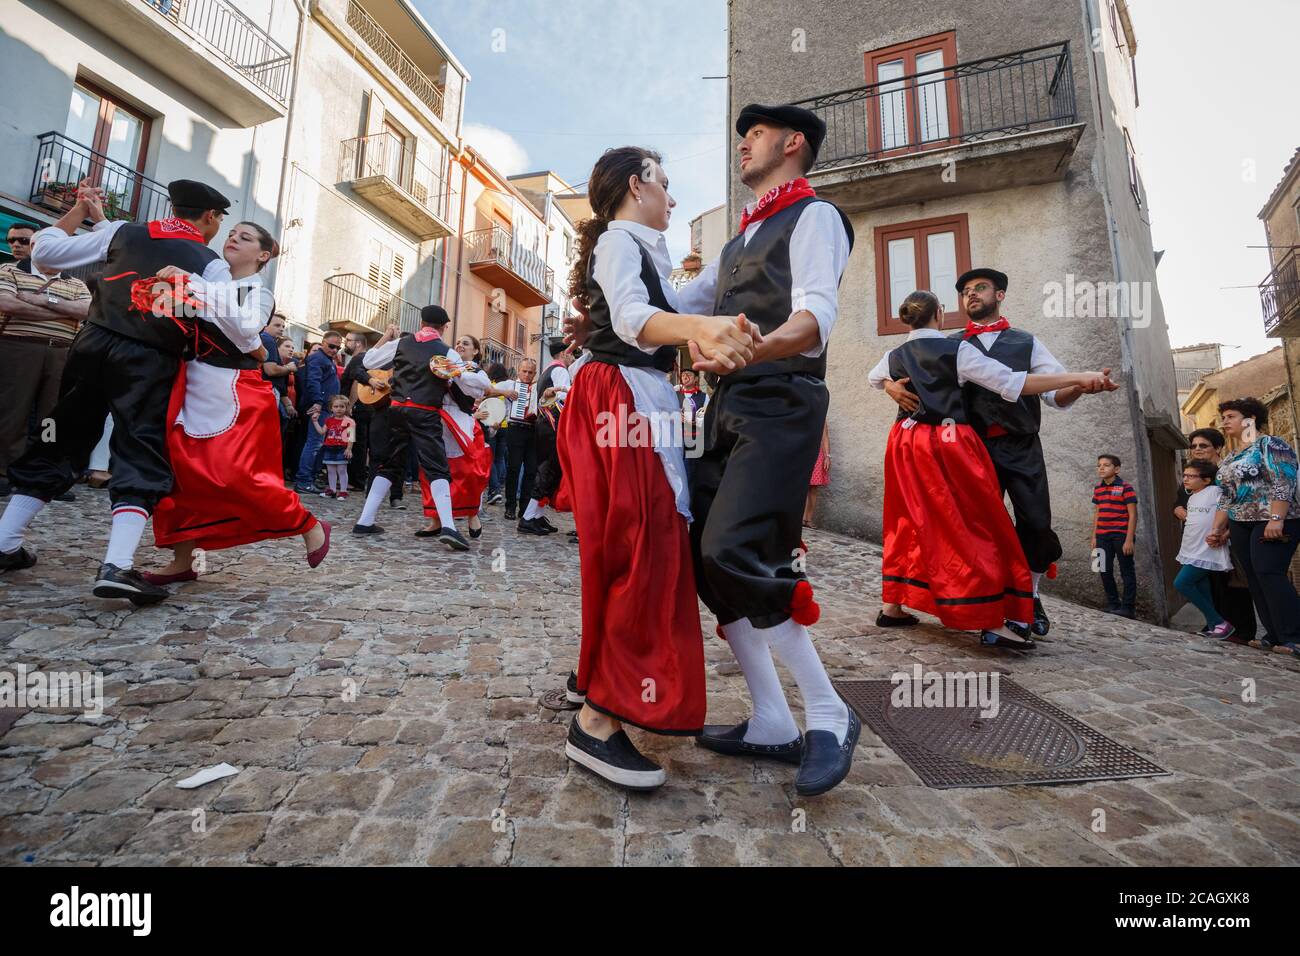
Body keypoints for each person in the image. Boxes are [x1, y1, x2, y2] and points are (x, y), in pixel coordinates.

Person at [557, 145, 757, 790]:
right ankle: (596, 722)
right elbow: (634, 317)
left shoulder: (639, 246)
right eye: (666, 184)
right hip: (620, 394)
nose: (673, 197)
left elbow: (675, 296)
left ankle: (598, 678)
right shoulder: (619, 242)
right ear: (637, 185)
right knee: (642, 544)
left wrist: (739, 253)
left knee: (638, 543)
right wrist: (704, 326)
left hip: (635, 394)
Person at [676, 103, 860, 796]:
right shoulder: (734, 243)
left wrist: (742, 346)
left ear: (791, 143)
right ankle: (772, 721)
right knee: (703, 555)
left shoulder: (815, 217)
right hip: (729, 407)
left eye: (752, 134)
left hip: (783, 402)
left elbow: (813, 320)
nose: (742, 145)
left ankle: (828, 712)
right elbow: (677, 304)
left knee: (735, 550)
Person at [0, 178, 233, 603]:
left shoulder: (122, 231)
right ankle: (117, 565)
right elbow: (225, 325)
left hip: (92, 343)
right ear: (210, 217)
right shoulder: (211, 264)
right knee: (139, 449)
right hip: (150, 359)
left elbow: (46, 252)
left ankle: (4, 542)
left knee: (58, 433)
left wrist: (78, 214)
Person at [869, 291, 1116, 647]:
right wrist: (1079, 376)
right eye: (965, 291)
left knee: (909, 519)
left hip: (906, 443)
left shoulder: (894, 354)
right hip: (951, 444)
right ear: (941, 313)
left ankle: (893, 606)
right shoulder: (957, 349)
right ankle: (991, 615)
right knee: (981, 529)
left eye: (980, 287)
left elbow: (873, 377)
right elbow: (1014, 384)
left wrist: (891, 386)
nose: (971, 293)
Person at [143, 220, 329, 581]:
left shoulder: (257, 293)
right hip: (192, 381)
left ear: (262, 255)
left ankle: (308, 524)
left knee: (235, 475)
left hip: (236, 388)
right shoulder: (207, 280)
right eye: (231, 234)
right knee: (183, 476)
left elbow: (246, 329)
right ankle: (186, 562)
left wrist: (195, 285)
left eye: (244, 237)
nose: (232, 239)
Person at [353, 306, 468, 551]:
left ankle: (365, 521)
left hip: (397, 408)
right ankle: (448, 526)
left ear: (422, 321)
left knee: (389, 463)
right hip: (425, 412)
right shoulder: (447, 352)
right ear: (444, 327)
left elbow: (370, 361)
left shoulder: (402, 343)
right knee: (437, 467)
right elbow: (465, 382)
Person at [0, 221, 92, 499]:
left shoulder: (76, 283)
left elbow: (88, 310)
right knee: (11, 413)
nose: (17, 244)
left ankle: (43, 472)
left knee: (52, 417)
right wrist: (65, 312)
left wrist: (42, 302)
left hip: (61, 352)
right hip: (18, 347)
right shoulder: (9, 270)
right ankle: (5, 471)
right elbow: (7, 304)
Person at [1206, 397, 1300, 655]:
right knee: (1255, 578)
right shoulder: (1231, 457)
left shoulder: (1270, 444)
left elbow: (1283, 481)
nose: (1225, 422)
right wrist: (1217, 529)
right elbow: (1226, 496)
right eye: (1223, 417)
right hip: (1241, 522)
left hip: (1274, 519)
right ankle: (1274, 634)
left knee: (1269, 572)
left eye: (1230, 416)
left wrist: (1276, 519)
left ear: (1250, 419)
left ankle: (1294, 636)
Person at [1173, 459, 1235, 639]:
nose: (1186, 479)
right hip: (1191, 548)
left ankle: (1221, 623)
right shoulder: (1192, 497)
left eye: (1191, 476)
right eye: (1184, 475)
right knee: (1202, 587)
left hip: (1207, 549)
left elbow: (1230, 510)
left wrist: (1224, 534)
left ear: (1207, 480)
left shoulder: (1215, 491)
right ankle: (1213, 625)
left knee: (1182, 583)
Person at [520, 337, 574, 536]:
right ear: (563, 354)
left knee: (547, 468)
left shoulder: (546, 371)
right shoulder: (560, 370)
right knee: (548, 469)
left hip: (543, 424)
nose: (572, 358)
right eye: (571, 354)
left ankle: (537, 516)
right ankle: (527, 518)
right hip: (553, 424)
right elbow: (563, 397)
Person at [294, 329, 342, 493]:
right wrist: (318, 402)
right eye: (331, 346)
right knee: (314, 444)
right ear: (323, 343)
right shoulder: (317, 359)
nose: (335, 350)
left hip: (326, 408)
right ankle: (303, 481)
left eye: (337, 347)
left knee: (319, 444)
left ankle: (310, 479)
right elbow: (313, 381)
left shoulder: (327, 360)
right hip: (320, 407)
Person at [1093, 453, 1138, 618]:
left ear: (1116, 469)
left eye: (1106, 465)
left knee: (1127, 571)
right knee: (1102, 568)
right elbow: (1097, 514)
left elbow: (1133, 515)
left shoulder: (1126, 487)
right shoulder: (1098, 488)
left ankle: (1128, 608)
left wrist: (1128, 539)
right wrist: (1094, 537)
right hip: (1102, 536)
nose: (1101, 468)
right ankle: (1113, 604)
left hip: (1121, 536)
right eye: (1099, 465)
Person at [497, 357, 539, 521]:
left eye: (530, 372)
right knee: (513, 469)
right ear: (519, 370)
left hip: (533, 431)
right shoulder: (509, 385)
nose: (527, 375)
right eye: (524, 371)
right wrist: (504, 393)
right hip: (515, 429)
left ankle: (525, 508)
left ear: (535, 374)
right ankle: (510, 507)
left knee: (530, 471)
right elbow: (487, 390)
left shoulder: (537, 388)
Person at [338, 330, 373, 491]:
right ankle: (357, 479)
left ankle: (355, 480)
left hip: (357, 408)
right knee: (360, 442)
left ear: (358, 343)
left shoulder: (359, 358)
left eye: (349, 340)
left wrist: (350, 405)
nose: (346, 343)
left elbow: (356, 383)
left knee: (356, 442)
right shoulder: (365, 358)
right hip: (364, 407)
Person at [315, 394, 355, 499]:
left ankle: (343, 491)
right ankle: (332, 490)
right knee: (331, 470)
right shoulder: (328, 420)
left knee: (342, 470)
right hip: (329, 448)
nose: (339, 409)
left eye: (342, 407)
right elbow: (321, 431)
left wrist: (349, 449)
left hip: (342, 448)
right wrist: (315, 421)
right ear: (331, 408)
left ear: (346, 408)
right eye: (336, 406)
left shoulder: (349, 421)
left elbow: (351, 436)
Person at [676, 366, 707, 484]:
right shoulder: (673, 394)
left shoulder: (704, 397)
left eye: (689, 374)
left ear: (696, 379)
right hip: (676, 440)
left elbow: (707, 416)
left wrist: (698, 421)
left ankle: (690, 501)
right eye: (683, 374)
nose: (685, 376)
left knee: (691, 475)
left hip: (694, 440)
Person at [804, 421, 829, 527]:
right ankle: (798, 517)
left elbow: (825, 437)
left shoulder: (821, 417)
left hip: (818, 454)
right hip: (803, 453)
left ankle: (808, 519)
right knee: (800, 486)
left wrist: (827, 456)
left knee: (814, 487)